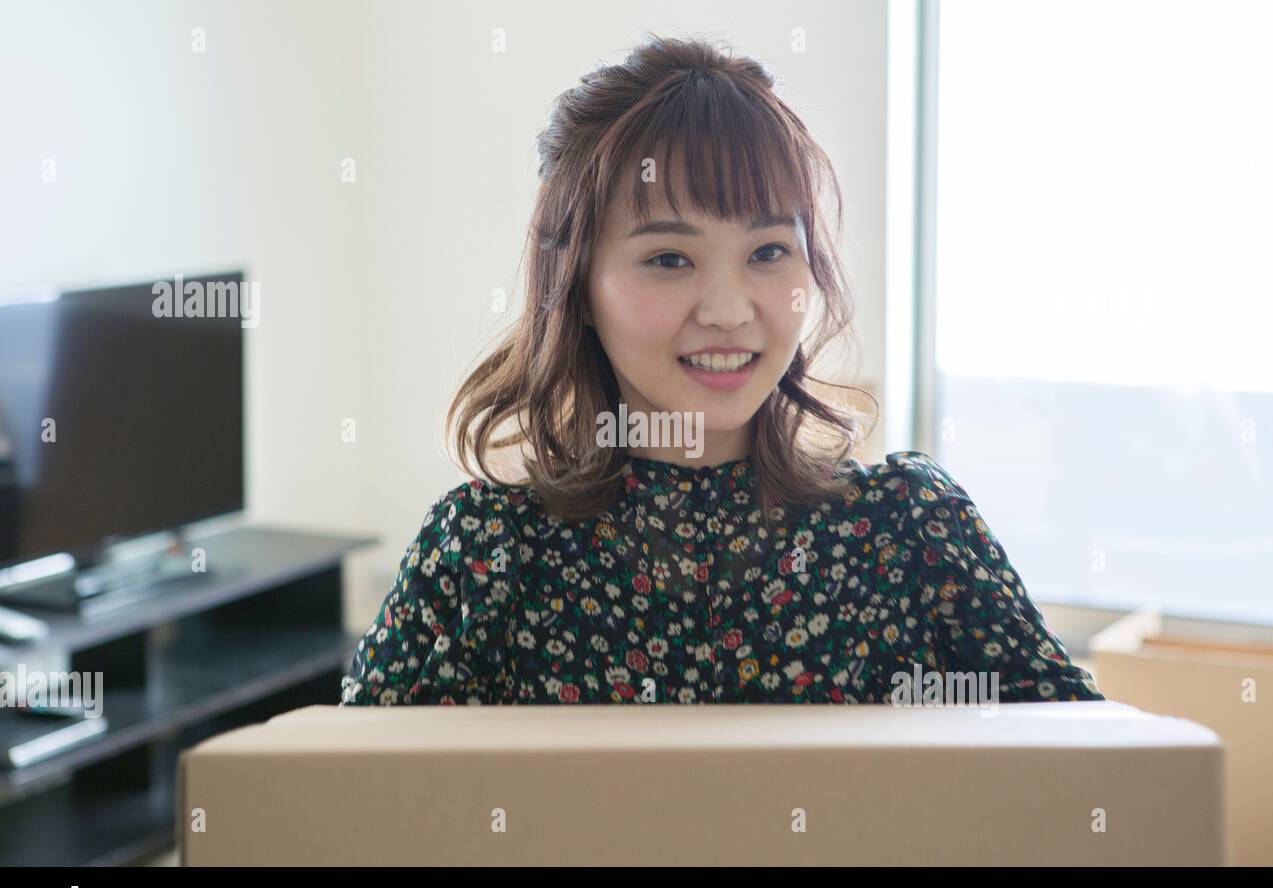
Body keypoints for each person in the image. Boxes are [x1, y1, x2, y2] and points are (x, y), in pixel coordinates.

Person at [340, 33, 1103, 707]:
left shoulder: (912, 529)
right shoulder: (482, 555)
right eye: (669, 259)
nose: (730, 311)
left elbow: (1096, 788)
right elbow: (354, 816)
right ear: (575, 288)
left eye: (769, 252)